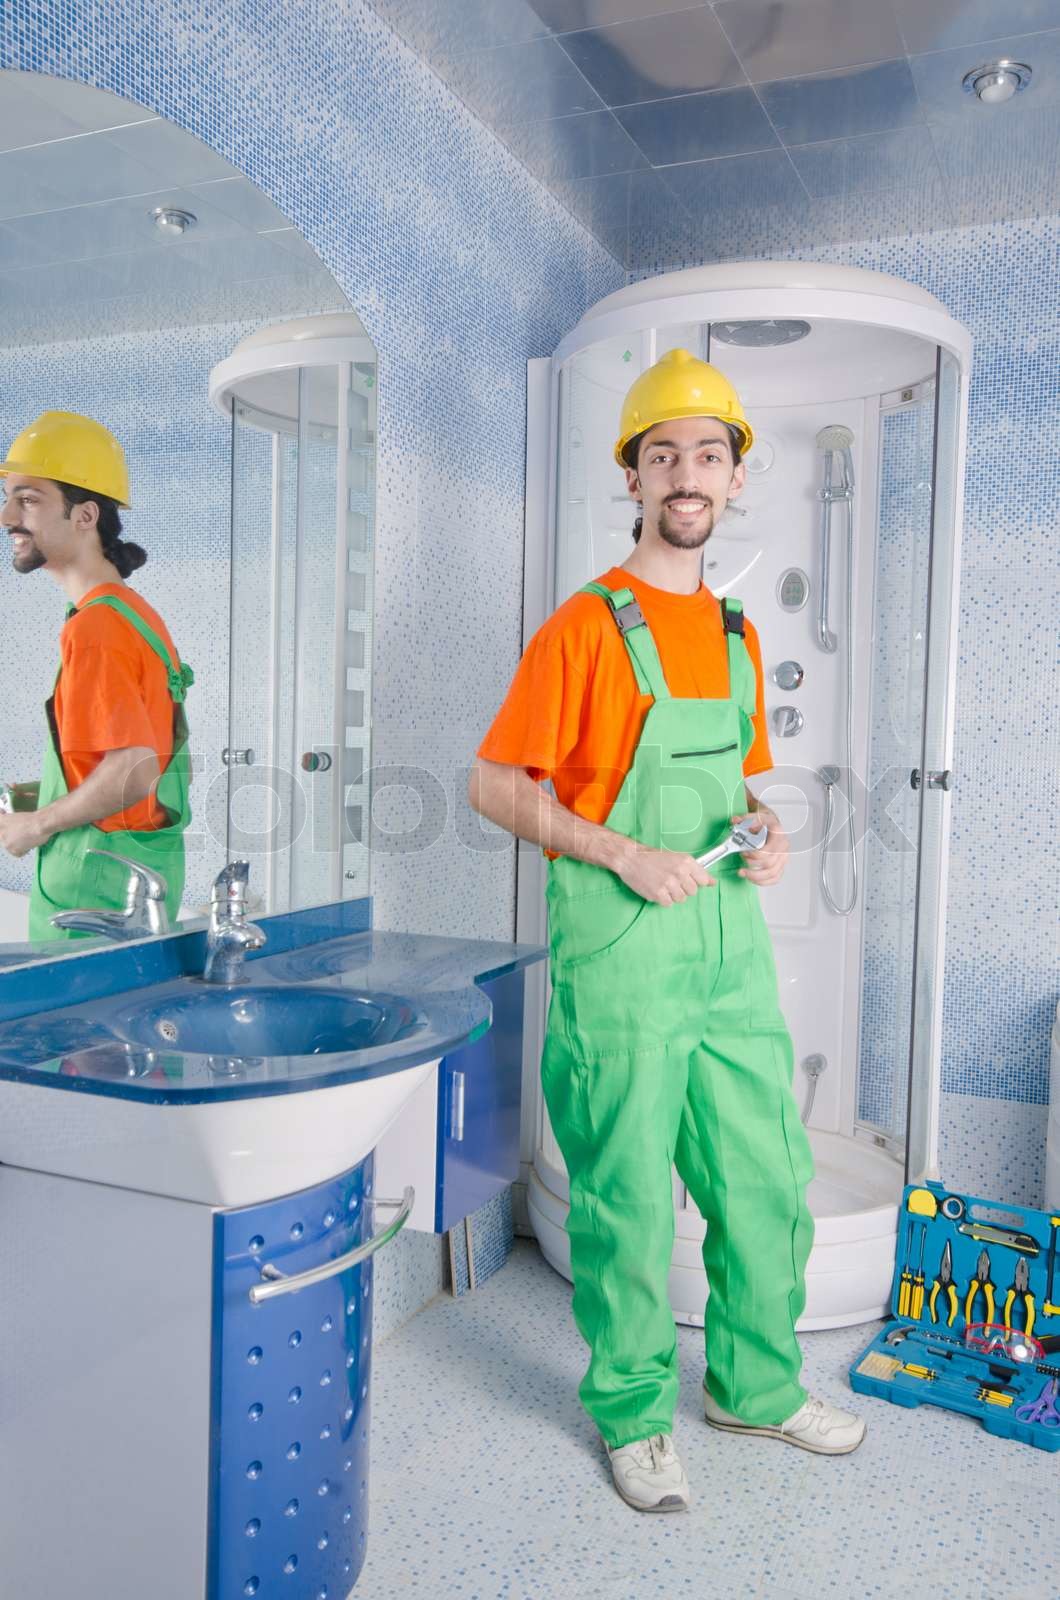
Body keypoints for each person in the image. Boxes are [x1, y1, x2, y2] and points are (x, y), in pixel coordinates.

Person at [469, 349, 865, 1512]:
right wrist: (615, 848)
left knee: (767, 1180)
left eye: (706, 452)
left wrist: (763, 833)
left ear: (736, 477)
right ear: (633, 479)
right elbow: (496, 784)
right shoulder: (588, 626)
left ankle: (753, 1385)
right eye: (661, 455)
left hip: (727, 952)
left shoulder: (737, 633)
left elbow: (740, 785)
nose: (684, 473)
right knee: (629, 1199)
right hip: (623, 957)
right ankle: (635, 1415)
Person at [0, 411, 192, 941]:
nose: (7, 517)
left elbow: (133, 770)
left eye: (29, 499)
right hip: (125, 878)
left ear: (85, 516)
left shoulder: (96, 629)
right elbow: (132, 757)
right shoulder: (132, 614)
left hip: (91, 895)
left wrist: (32, 826)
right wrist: (49, 790)